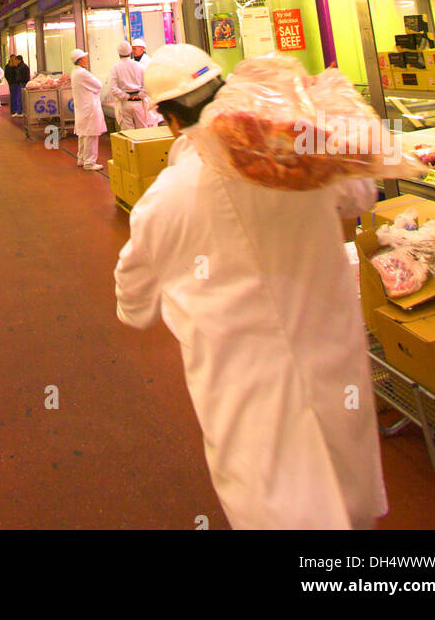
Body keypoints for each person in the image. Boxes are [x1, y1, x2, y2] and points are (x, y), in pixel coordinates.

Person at [114, 44, 388, 531]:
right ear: (222, 91)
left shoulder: (160, 204)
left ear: (170, 120)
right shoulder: (297, 156)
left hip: (243, 394)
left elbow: (133, 305)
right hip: (332, 364)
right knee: (347, 496)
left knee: (271, 502)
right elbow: (361, 193)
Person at [70, 48, 105, 171]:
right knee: (91, 134)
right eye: (84, 58)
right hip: (89, 108)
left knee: (83, 134)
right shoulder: (83, 73)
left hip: (82, 108)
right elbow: (99, 85)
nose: (86, 59)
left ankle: (81, 159)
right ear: (80, 60)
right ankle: (89, 162)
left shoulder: (75, 72)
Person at [106, 41, 150, 130]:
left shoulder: (115, 68)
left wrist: (126, 96)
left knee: (128, 134)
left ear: (119, 53)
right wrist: (139, 95)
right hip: (139, 103)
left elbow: (113, 88)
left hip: (124, 104)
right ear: (130, 52)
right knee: (143, 133)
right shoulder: (139, 66)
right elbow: (147, 84)